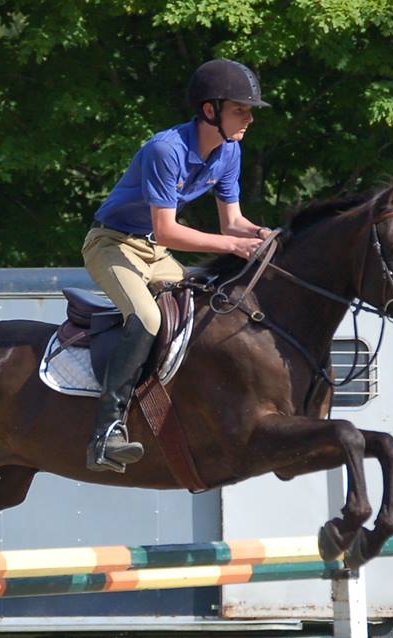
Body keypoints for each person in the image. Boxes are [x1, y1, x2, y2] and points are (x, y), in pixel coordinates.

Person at [82, 58, 272, 472]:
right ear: (210, 110)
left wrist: (264, 236)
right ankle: (107, 431)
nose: (250, 118)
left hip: (152, 251)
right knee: (148, 318)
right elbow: (167, 230)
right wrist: (230, 246)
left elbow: (233, 222)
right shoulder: (165, 150)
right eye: (241, 109)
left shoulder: (229, 151)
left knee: (205, 308)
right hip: (111, 245)